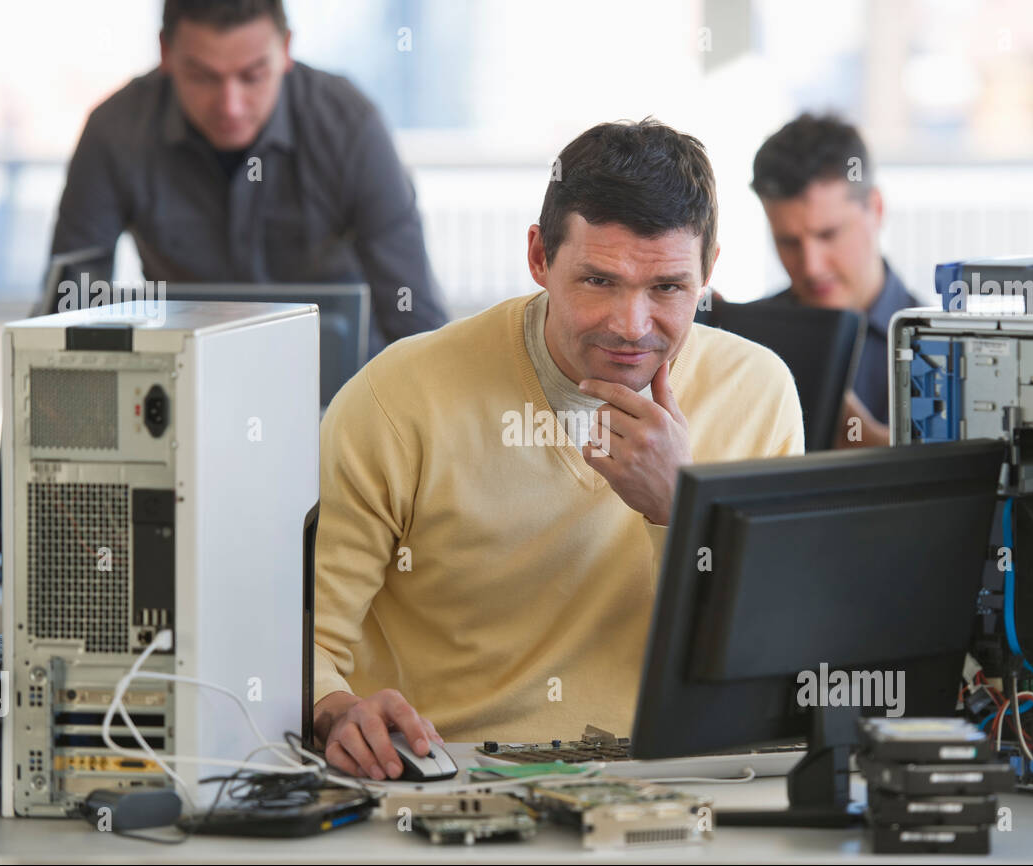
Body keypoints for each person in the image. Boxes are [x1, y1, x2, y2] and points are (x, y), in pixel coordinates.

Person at [312, 119, 804, 779]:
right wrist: (336, 709)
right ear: (540, 258)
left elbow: (778, 666)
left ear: (708, 272)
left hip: (681, 779)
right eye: (599, 281)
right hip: (456, 778)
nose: (632, 327)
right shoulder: (397, 397)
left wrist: (683, 511)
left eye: (667, 288)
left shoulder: (757, 390)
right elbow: (303, 644)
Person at [48, 0, 447, 351]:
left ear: (286, 50)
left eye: (253, 75)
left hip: (338, 398)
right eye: (203, 76)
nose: (231, 106)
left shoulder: (351, 129)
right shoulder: (114, 133)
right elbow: (70, 312)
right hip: (180, 395)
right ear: (166, 53)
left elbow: (412, 319)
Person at [752, 113, 918, 447]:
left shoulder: (943, 351)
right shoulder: (746, 341)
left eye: (828, 234)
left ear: (877, 209)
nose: (811, 267)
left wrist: (876, 451)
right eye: (788, 241)